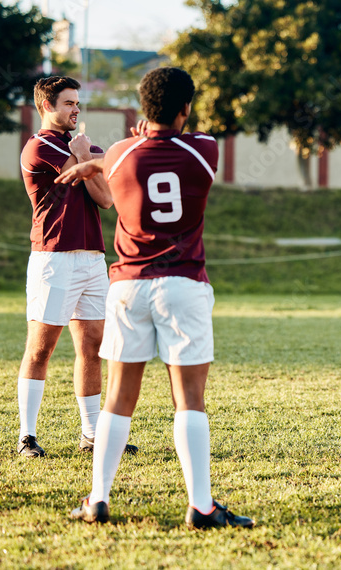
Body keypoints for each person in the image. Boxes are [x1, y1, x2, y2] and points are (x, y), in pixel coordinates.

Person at [57, 67, 254, 528]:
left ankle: (98, 499)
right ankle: (201, 506)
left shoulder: (122, 151)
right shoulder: (205, 150)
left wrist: (94, 159)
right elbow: (186, 139)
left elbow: (117, 160)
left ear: (141, 110)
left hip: (128, 285)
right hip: (183, 285)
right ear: (185, 108)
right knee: (189, 399)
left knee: (119, 397)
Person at [16, 76, 136, 458]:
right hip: (53, 258)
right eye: (68, 103)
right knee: (41, 348)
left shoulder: (86, 148)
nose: (76, 110)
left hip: (92, 260)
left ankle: (91, 434)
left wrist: (86, 155)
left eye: (77, 103)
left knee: (93, 346)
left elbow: (105, 199)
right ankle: (27, 436)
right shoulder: (38, 147)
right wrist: (85, 155)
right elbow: (81, 173)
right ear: (46, 106)